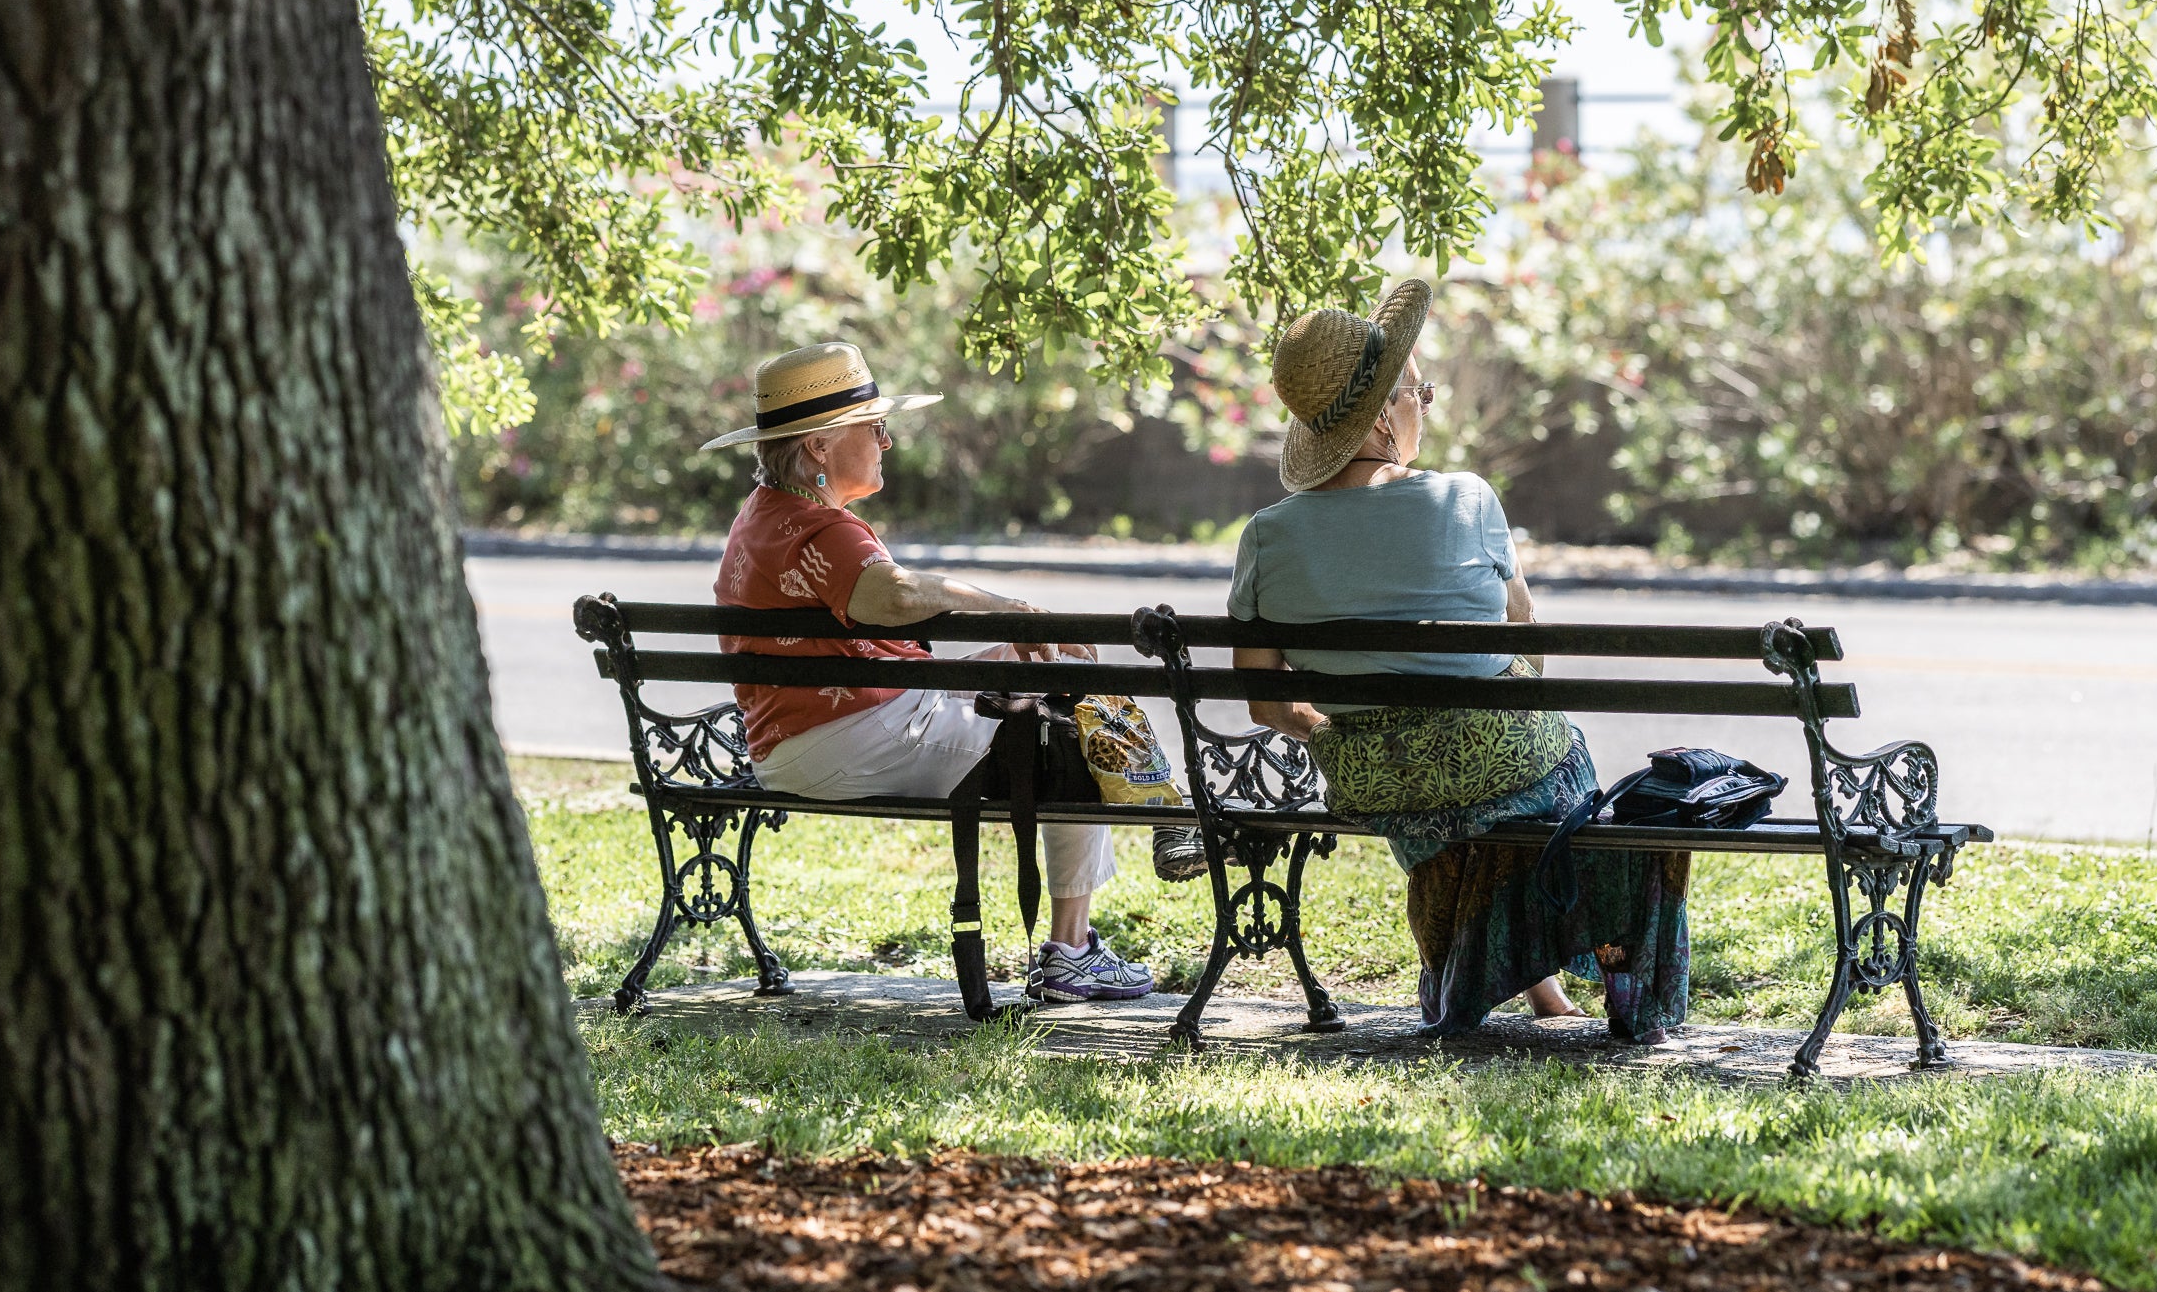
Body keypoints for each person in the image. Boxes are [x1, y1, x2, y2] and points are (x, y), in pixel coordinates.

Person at [1224, 281, 1690, 1041]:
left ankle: (1531, 986)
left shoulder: (1267, 536)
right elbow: (1526, 635)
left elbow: (1264, 698)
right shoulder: (1468, 499)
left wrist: (1345, 731)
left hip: (1375, 774)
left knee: (1453, 804)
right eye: (1420, 392)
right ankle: (1617, 984)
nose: (1426, 404)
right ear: (1381, 417)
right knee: (1551, 773)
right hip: (1503, 759)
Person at [701, 341, 1199, 1003]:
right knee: (1069, 742)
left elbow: (866, 653)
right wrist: (1005, 609)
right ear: (819, 446)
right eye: (870, 424)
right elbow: (896, 596)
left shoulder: (764, 518)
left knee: (1056, 685)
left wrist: (990, 658)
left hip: (812, 738)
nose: (886, 436)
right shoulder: (821, 529)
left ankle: (1165, 817)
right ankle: (1075, 949)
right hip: (848, 738)